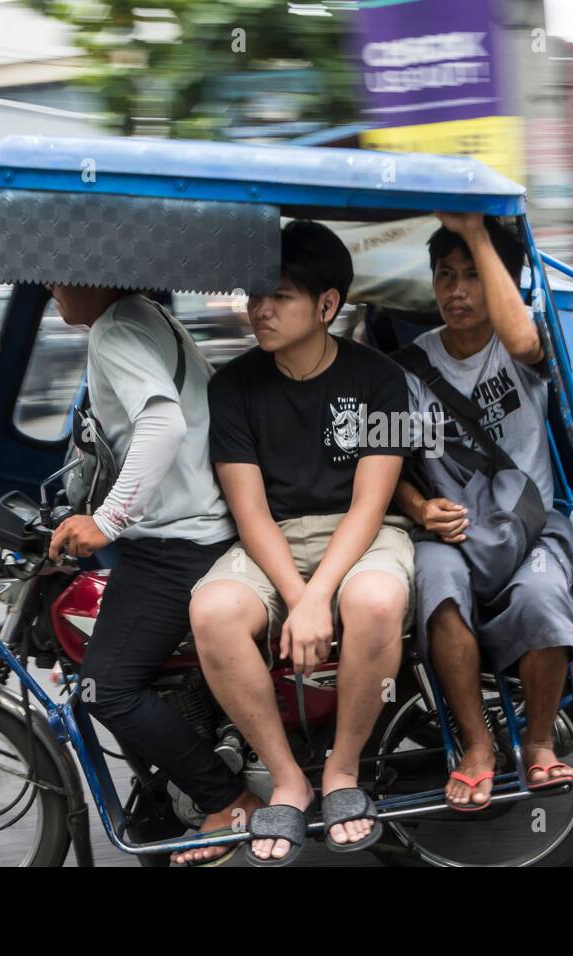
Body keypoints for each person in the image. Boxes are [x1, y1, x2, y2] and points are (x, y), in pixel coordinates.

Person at [189, 220, 414, 865]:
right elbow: (250, 510)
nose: (260, 309)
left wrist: (321, 596)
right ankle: (287, 778)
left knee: (372, 602)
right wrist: (299, 594)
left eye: (279, 296)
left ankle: (343, 772)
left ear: (326, 306)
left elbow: (371, 504)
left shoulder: (381, 380)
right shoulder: (231, 387)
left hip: (363, 534)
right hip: (275, 540)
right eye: (255, 294)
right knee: (213, 611)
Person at [46, 285, 262, 867]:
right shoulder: (146, 314)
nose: (49, 286)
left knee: (106, 687)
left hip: (175, 543)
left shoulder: (114, 328)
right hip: (188, 531)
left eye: (58, 273)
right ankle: (168, 784)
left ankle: (226, 799)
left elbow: (161, 422)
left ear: (93, 272)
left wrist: (109, 520)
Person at [392, 213, 573, 811]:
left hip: (530, 528)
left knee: (543, 596)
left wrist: (476, 230)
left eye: (473, 276)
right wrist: (422, 509)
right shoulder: (408, 367)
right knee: (438, 591)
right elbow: (386, 465)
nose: (456, 291)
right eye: (445, 276)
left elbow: (526, 343)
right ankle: (476, 748)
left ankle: (537, 742)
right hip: (450, 534)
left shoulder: (519, 345)